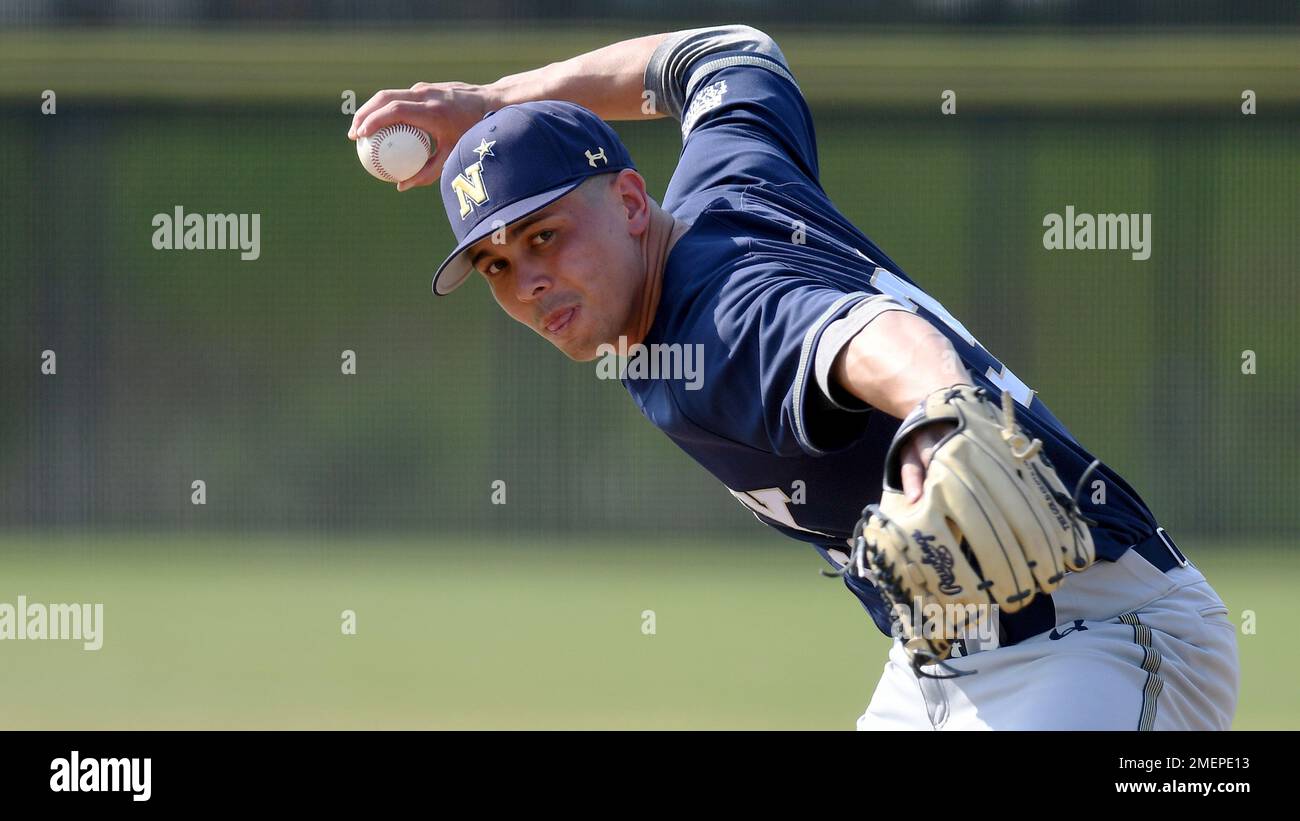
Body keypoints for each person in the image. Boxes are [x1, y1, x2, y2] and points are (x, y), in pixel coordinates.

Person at [349, 25, 1239, 730]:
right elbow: (726, 51)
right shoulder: (727, 173)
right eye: (497, 264)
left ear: (627, 202)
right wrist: (498, 99)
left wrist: (937, 414)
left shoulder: (719, 321)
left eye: (544, 235)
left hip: (1094, 639)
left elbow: (863, 333)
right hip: (936, 663)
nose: (529, 278)